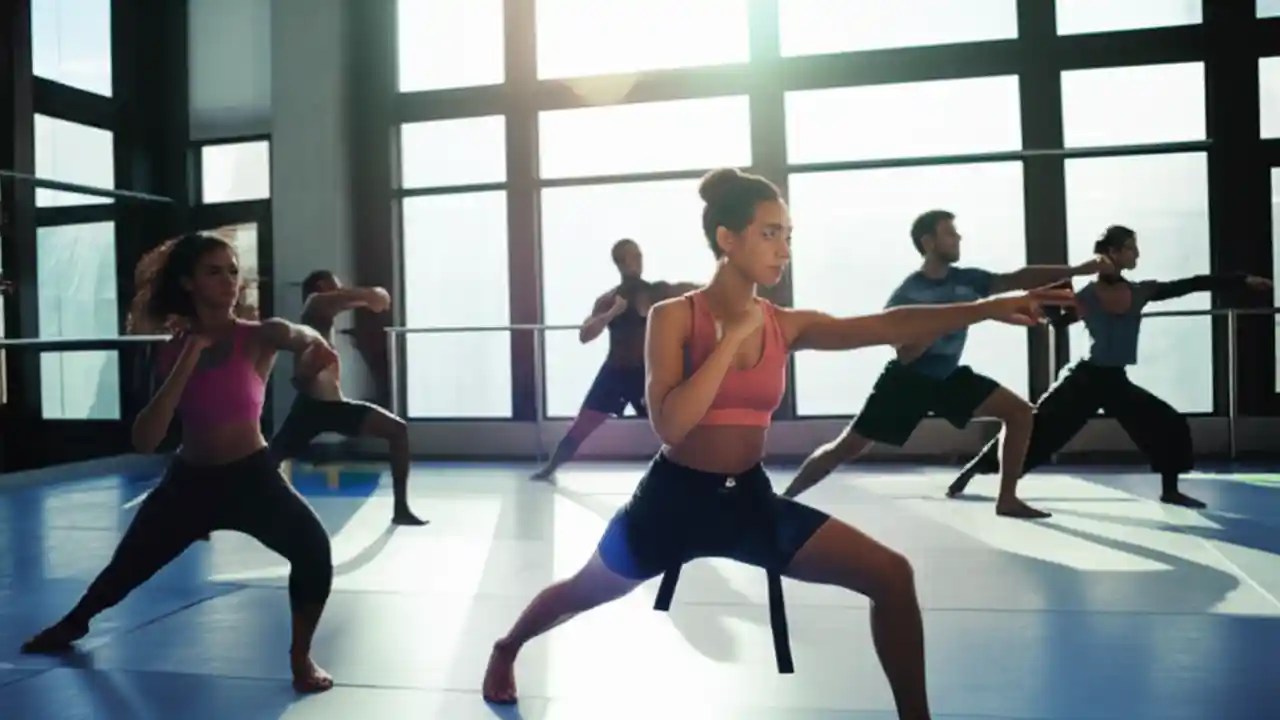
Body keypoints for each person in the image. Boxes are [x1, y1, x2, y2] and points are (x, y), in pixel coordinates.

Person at [481, 168, 1073, 718]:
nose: (784, 249)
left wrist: (987, 308)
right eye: (769, 234)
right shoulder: (673, 316)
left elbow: (887, 325)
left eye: (788, 235)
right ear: (727, 238)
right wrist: (730, 336)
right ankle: (507, 646)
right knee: (584, 591)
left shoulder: (784, 324)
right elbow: (671, 425)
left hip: (748, 503)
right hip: (672, 504)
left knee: (892, 576)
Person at [20, 233, 339, 694]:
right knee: (125, 568)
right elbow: (146, 440)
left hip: (251, 476)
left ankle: (301, 657)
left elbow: (299, 332)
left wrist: (314, 346)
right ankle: (73, 624)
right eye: (215, 271)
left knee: (313, 550)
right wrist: (191, 353)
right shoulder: (171, 348)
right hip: (189, 483)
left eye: (233, 271)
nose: (230, 281)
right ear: (189, 283)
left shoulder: (258, 335)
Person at [780, 210, 1109, 519]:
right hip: (907, 384)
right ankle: (784, 500)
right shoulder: (907, 295)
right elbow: (906, 355)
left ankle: (1007, 499)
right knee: (845, 449)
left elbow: (1017, 278)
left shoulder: (968, 280)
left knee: (1020, 412)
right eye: (950, 234)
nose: (958, 239)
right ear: (928, 243)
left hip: (948, 378)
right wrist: (954, 318)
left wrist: (1078, 271)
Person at [947, 225, 1274, 508]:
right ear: (1113, 252)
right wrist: (1059, 295)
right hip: (1085, 380)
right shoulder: (1085, 295)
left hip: (1115, 381)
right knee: (1037, 427)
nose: (1137, 255)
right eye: (1131, 248)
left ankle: (1171, 490)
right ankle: (975, 468)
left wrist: (1243, 280)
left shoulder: (1141, 291)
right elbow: (1054, 318)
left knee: (1168, 423)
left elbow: (1194, 283)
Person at [531, 239, 698, 479]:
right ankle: (550, 468)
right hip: (616, 372)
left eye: (638, 256)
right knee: (584, 423)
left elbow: (691, 291)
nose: (636, 262)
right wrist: (612, 313)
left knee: (677, 423)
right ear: (619, 263)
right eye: (629, 257)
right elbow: (585, 335)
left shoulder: (656, 291)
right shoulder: (608, 300)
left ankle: (703, 472)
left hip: (647, 373)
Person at [269, 270, 425, 526]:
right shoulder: (315, 303)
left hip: (330, 406)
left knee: (397, 430)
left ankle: (401, 508)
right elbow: (345, 298)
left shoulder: (321, 318)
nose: (341, 289)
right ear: (321, 286)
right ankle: (213, 508)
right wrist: (372, 296)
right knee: (266, 461)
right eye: (336, 285)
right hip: (311, 406)